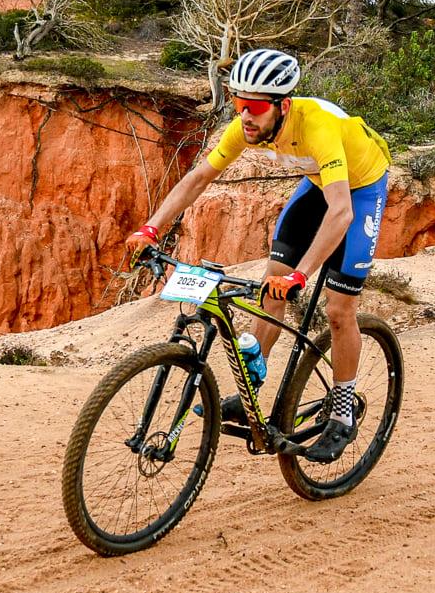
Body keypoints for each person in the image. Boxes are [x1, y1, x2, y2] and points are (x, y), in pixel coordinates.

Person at [123, 48, 392, 464]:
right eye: (237, 104)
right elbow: (198, 179)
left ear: (282, 106)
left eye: (254, 108)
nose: (244, 116)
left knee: (339, 311)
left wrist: (302, 275)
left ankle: (341, 412)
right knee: (271, 285)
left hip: (360, 190)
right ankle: (254, 385)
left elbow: (342, 211)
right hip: (317, 185)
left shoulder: (318, 127)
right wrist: (151, 227)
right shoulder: (244, 127)